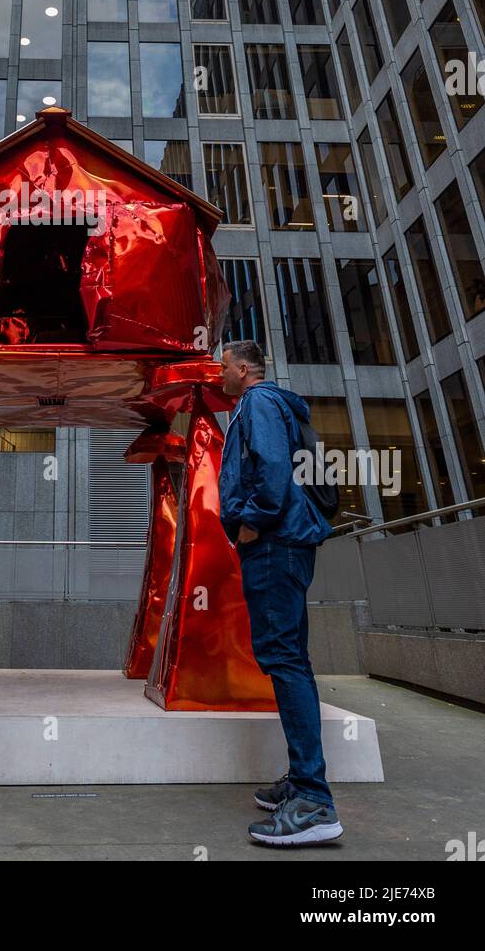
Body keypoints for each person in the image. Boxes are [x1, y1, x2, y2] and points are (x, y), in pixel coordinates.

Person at [218, 340, 343, 848]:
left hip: (273, 542)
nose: (219, 373)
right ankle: (303, 779)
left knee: (284, 657)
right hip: (286, 542)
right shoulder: (273, 404)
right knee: (291, 657)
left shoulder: (259, 403)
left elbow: (270, 471)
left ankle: (314, 800)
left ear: (243, 369)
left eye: (223, 366)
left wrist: (250, 523)